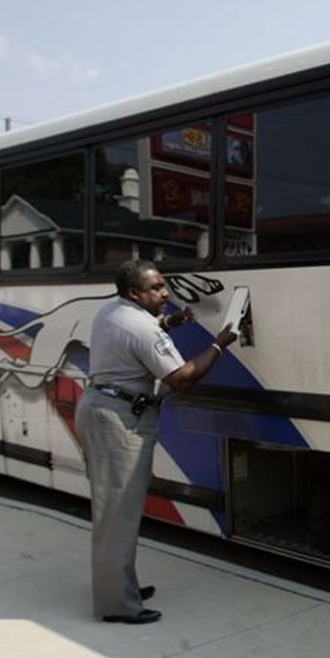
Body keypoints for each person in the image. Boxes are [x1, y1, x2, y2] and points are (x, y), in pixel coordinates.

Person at [75, 259, 237, 625]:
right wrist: (220, 344)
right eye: (157, 288)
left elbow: (139, 333)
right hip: (119, 420)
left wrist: (170, 322)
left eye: (164, 286)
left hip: (102, 408)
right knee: (117, 515)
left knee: (116, 512)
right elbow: (181, 377)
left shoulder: (113, 310)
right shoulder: (141, 328)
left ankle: (120, 586)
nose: (166, 293)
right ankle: (118, 605)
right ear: (135, 293)